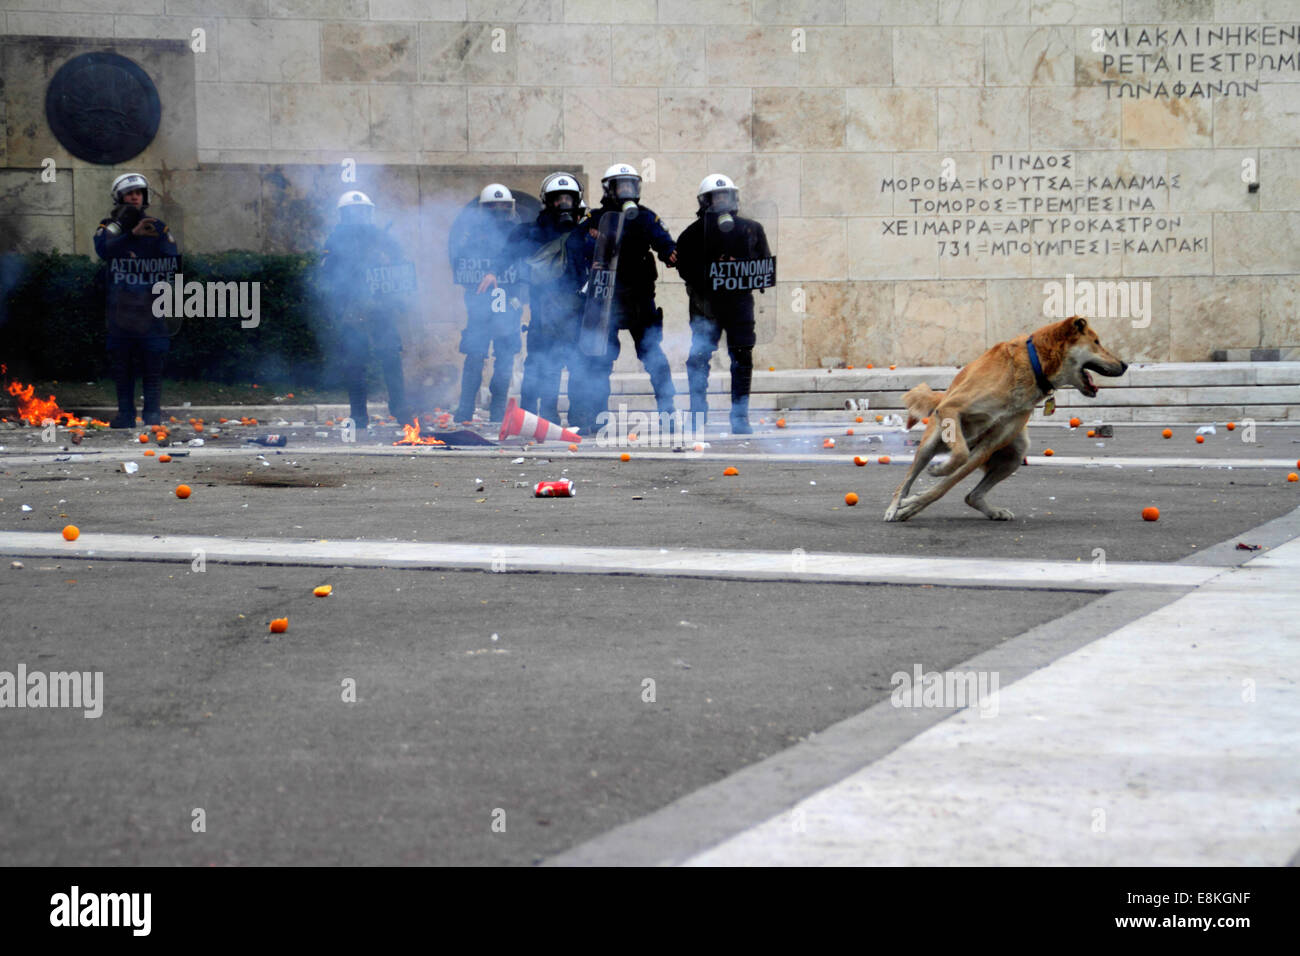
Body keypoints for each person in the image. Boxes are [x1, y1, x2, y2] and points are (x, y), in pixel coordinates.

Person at [567, 163, 677, 434]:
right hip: (607, 300)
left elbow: (663, 241)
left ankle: (668, 412)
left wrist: (671, 252)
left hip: (639, 298)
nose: (628, 190)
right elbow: (573, 247)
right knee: (600, 358)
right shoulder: (594, 218)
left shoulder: (645, 217)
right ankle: (596, 415)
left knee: (653, 355)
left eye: (631, 185)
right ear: (610, 189)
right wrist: (591, 248)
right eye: (622, 186)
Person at [675, 173, 773, 434]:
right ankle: (697, 413)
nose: (721, 201)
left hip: (739, 304)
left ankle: (740, 417)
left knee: (742, 357)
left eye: (725, 196)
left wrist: (740, 267)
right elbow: (685, 269)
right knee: (698, 358)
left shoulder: (751, 229)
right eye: (716, 197)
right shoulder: (691, 235)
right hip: (706, 306)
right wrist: (713, 270)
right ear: (706, 201)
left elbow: (762, 264)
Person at [484, 172, 584, 427]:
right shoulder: (530, 232)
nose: (563, 205)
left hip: (576, 308)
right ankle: (533, 414)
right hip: (544, 307)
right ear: (547, 201)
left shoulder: (582, 232)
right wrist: (493, 272)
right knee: (541, 362)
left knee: (575, 362)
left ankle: (570, 415)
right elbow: (508, 252)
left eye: (568, 199)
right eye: (557, 199)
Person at [318, 190, 413, 430]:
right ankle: (359, 414)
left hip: (381, 305)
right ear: (345, 214)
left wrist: (387, 263)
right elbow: (327, 274)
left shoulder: (380, 237)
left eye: (363, 211)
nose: (359, 215)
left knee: (390, 354)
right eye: (354, 211)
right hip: (353, 307)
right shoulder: (335, 240)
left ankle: (400, 409)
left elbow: (400, 266)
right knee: (355, 360)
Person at [93, 173, 180, 428]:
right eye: (129, 193)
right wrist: (131, 235)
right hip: (121, 309)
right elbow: (103, 250)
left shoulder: (158, 226)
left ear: (145, 197)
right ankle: (126, 415)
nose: (134, 197)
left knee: (153, 363)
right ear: (119, 197)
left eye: (139, 193)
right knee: (122, 366)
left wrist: (146, 240)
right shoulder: (109, 227)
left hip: (151, 308)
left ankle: (152, 413)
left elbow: (171, 258)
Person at [449, 184, 523, 422]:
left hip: (508, 304)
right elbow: (461, 265)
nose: (499, 210)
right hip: (480, 306)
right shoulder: (472, 234)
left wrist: (519, 296)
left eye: (503, 206)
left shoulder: (518, 233)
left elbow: (525, 267)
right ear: (484, 209)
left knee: (504, 358)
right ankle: (465, 409)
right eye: (494, 206)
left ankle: (498, 409)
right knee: (474, 355)